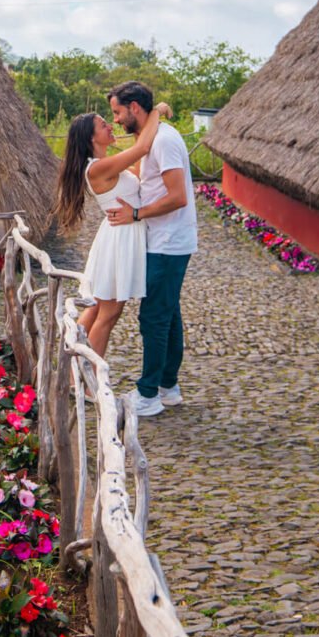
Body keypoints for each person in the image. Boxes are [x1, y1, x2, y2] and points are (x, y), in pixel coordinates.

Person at [107, 80, 197, 417]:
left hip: (168, 241)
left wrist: (135, 214)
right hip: (162, 239)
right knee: (168, 314)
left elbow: (178, 196)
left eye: (117, 112)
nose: (115, 119)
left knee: (154, 317)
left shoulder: (165, 141)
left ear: (133, 108)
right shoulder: (154, 136)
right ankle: (168, 387)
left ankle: (147, 395)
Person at [55, 101, 170, 358]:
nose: (109, 125)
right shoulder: (97, 168)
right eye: (102, 124)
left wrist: (143, 125)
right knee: (109, 313)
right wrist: (155, 112)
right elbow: (141, 148)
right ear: (90, 137)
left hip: (120, 235)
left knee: (97, 309)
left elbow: (139, 169)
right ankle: (88, 377)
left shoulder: (106, 164)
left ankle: (69, 365)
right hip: (119, 238)